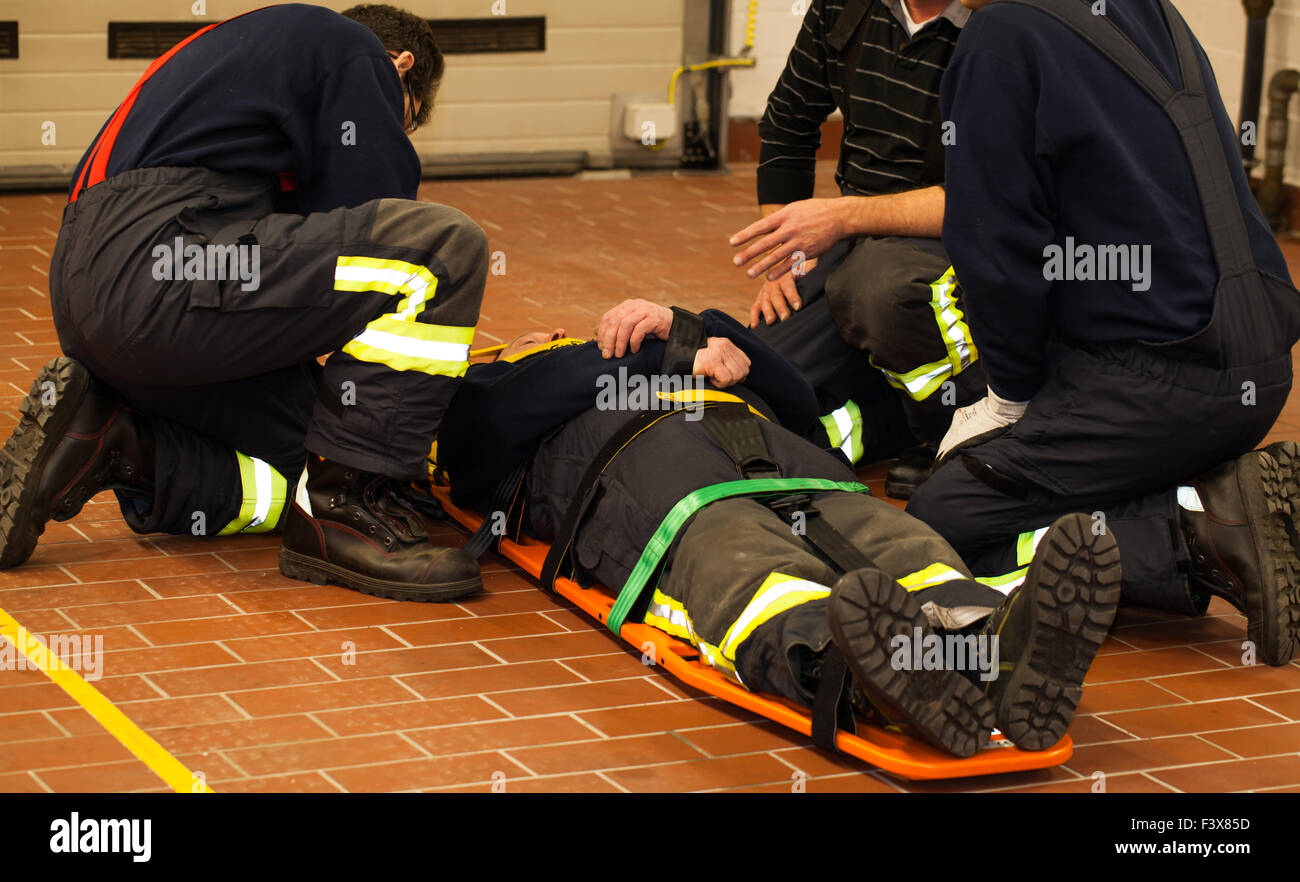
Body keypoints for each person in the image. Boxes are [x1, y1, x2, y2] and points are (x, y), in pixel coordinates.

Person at [434, 299, 1123, 757]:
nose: (555, 335)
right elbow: (485, 430)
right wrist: (655, 356)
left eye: (561, 336)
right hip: (658, 485)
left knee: (898, 541)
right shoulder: (501, 384)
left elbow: (800, 400)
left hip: (790, 464)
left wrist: (696, 326)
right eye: (538, 339)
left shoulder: (674, 348)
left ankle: (995, 647)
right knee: (741, 565)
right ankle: (851, 671)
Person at [0, 4, 487, 603]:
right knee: (439, 251)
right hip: (165, 263)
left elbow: (311, 258)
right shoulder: (356, 50)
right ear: (400, 66)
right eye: (402, 119)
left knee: (325, 449)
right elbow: (378, 229)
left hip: (104, 298)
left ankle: (118, 445)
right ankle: (346, 518)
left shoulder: (247, 57)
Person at [908, 0, 1300, 666]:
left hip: (1159, 381)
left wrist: (1008, 397)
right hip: (1257, 364)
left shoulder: (1000, 40)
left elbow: (997, 249)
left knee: (941, 524)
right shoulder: (1146, 9)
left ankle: (1193, 534)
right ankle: (1199, 492)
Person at [726, 0, 987, 497]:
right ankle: (892, 413)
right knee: (757, 385)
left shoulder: (1001, 28)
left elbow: (984, 201)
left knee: (879, 290)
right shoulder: (842, 7)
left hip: (957, 240)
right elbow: (787, 126)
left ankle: (956, 429)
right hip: (854, 236)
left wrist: (841, 217)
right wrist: (788, 256)